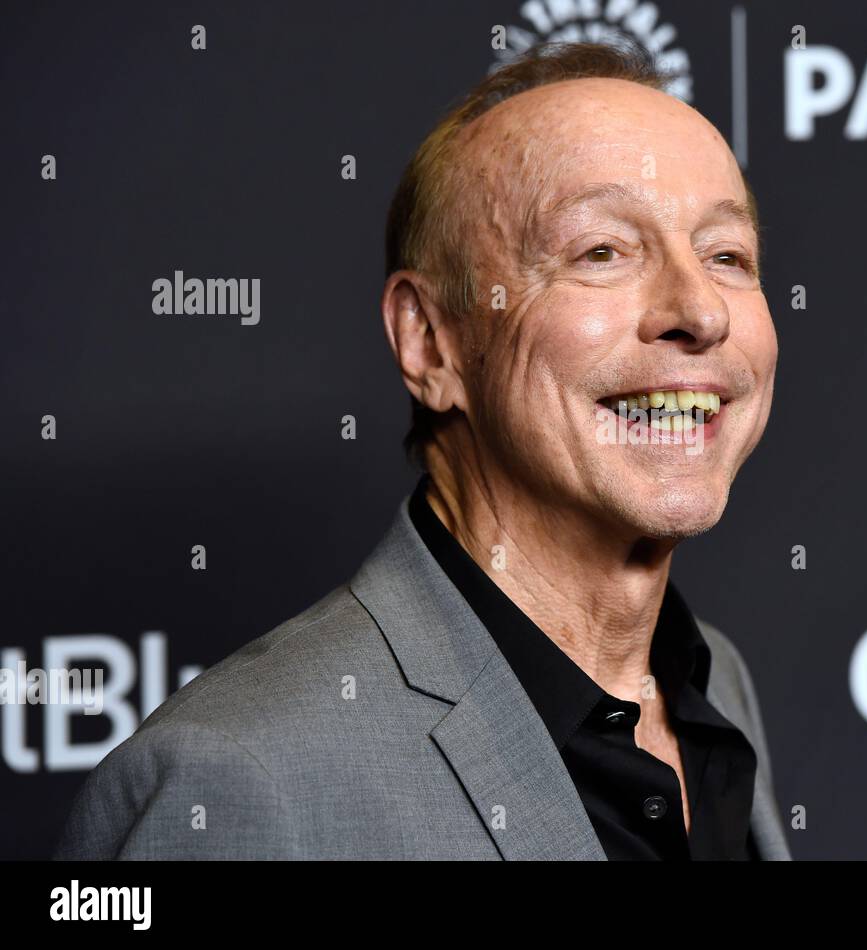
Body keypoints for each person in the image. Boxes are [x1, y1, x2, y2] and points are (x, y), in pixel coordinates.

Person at [56, 40, 784, 860]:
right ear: (429, 342)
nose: (701, 310)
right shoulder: (236, 782)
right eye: (602, 252)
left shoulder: (711, 681)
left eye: (728, 256)